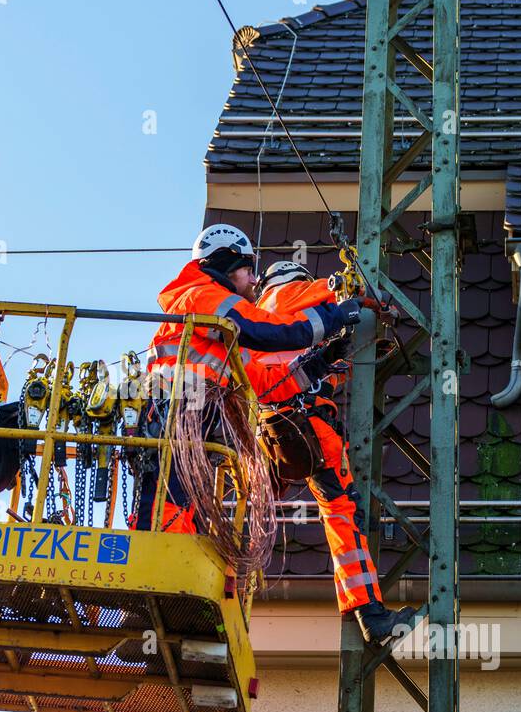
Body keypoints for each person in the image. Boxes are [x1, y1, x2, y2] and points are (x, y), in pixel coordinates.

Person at [132, 224, 359, 534]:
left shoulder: (223, 340)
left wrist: (322, 359)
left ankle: (170, 557)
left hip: (191, 413)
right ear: (225, 263)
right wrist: (334, 316)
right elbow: (268, 330)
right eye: (247, 270)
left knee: (183, 493)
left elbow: (269, 383)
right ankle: (156, 557)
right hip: (175, 408)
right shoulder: (200, 295)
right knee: (168, 494)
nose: (254, 279)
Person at [252, 259, 416, 643]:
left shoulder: (266, 327)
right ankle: (370, 614)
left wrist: (336, 356)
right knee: (344, 513)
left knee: (328, 512)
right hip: (308, 428)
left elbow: (303, 373)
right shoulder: (284, 296)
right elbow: (338, 290)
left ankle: (365, 610)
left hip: (279, 430)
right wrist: (376, 302)